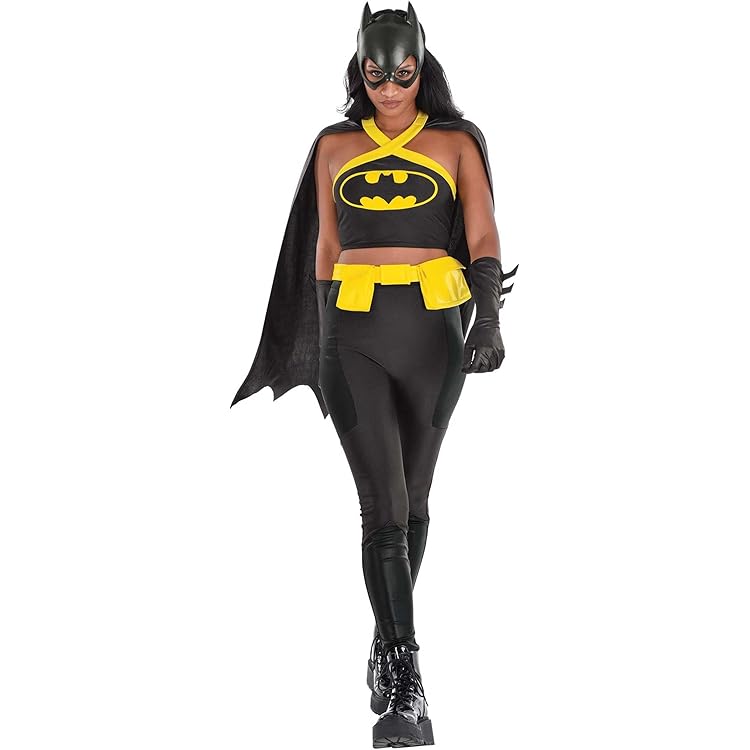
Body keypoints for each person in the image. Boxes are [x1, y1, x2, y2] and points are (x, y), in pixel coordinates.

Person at [231, 3, 518, 747]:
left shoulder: (456, 141)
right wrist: (323, 337)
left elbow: (482, 230)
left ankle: (384, 640)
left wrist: (488, 318)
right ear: (359, 70)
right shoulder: (334, 146)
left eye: (403, 73)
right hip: (352, 334)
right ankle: (407, 681)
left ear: (422, 70)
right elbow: (325, 246)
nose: (389, 88)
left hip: (435, 335)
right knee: (382, 508)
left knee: (414, 503)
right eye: (375, 73)